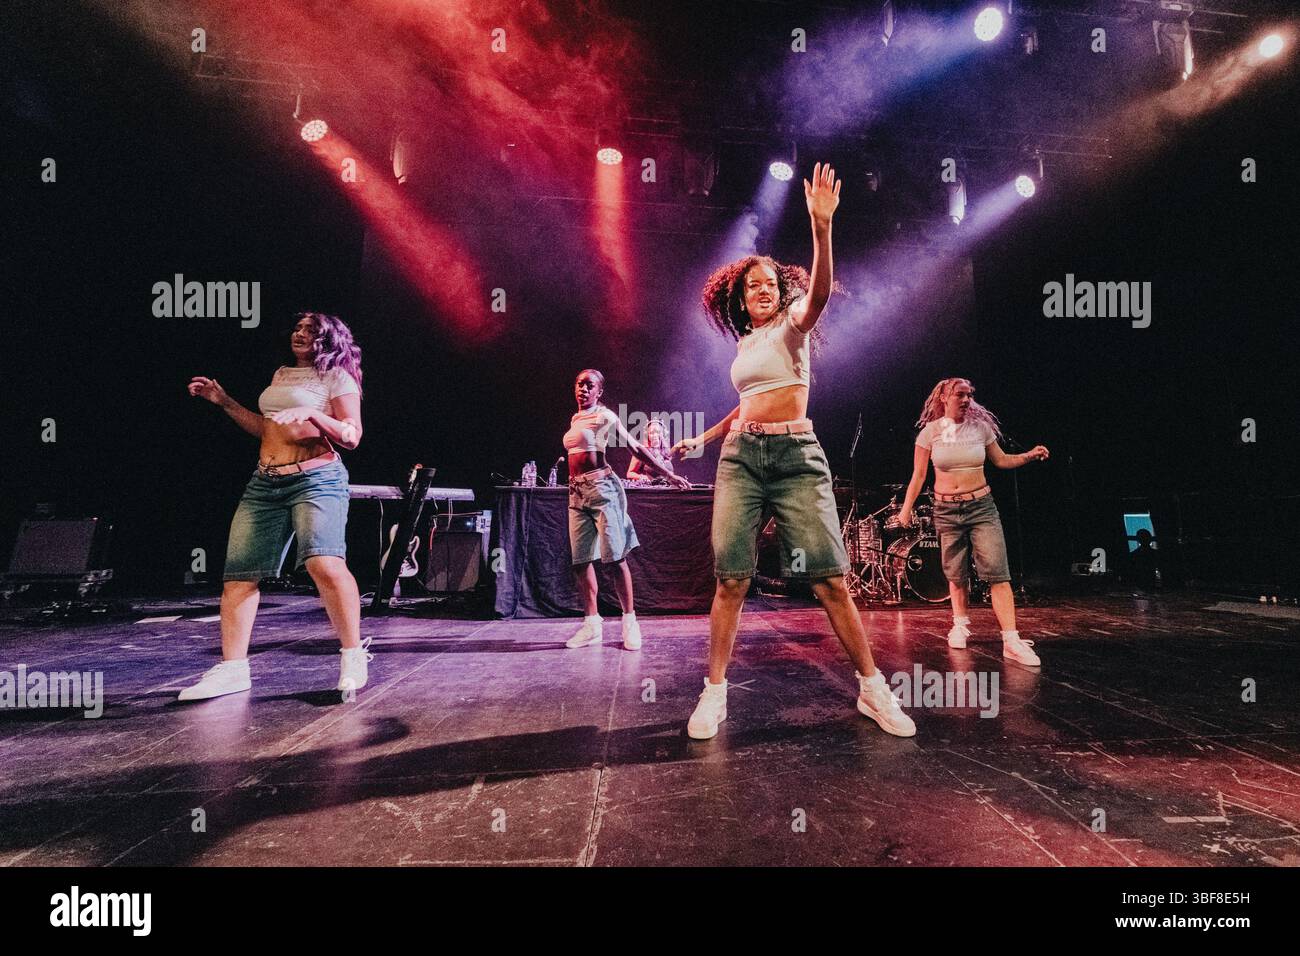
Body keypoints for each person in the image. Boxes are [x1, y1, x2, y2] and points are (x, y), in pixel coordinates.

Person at [671, 163, 915, 740]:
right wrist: (704, 439)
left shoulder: (792, 326)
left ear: (783, 291)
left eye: (770, 282)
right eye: (752, 283)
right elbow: (750, 403)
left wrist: (822, 228)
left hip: (796, 460)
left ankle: (873, 690)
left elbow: (822, 293)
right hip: (741, 460)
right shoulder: (749, 345)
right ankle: (715, 693)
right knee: (731, 577)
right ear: (740, 295)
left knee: (829, 578)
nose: (762, 288)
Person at [179, 312, 370, 700]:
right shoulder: (282, 374)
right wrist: (225, 401)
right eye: (297, 328)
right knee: (239, 575)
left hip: (316, 479)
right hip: (265, 482)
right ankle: (233, 670)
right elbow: (266, 429)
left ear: (328, 339)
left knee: (324, 562)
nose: (300, 334)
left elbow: (351, 436)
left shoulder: (337, 377)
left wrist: (315, 414)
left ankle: (353, 656)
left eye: (311, 331)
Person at [898, 377, 1049, 665]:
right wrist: (906, 509)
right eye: (960, 395)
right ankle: (960, 624)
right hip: (946, 510)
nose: (966, 400)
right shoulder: (930, 433)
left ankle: (1011, 640)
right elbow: (918, 476)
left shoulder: (981, 429)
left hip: (981, 507)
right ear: (944, 397)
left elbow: (1002, 461)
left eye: (969, 395)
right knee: (955, 572)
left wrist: (1029, 456)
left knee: (997, 571)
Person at [564, 369, 691, 651]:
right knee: (580, 561)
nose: (583, 389)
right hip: (576, 493)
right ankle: (591, 624)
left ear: (599, 392)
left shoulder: (605, 416)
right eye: (579, 384)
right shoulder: (575, 419)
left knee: (614, 558)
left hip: (602, 491)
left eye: (589, 385)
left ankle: (629, 622)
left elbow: (636, 448)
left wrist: (668, 476)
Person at [625, 419, 676, 483]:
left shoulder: (667, 451)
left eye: (657, 432)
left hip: (667, 489)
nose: (655, 435)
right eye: (651, 433)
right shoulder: (643, 452)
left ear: (663, 434)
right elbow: (630, 473)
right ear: (648, 435)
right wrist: (644, 478)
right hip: (651, 490)